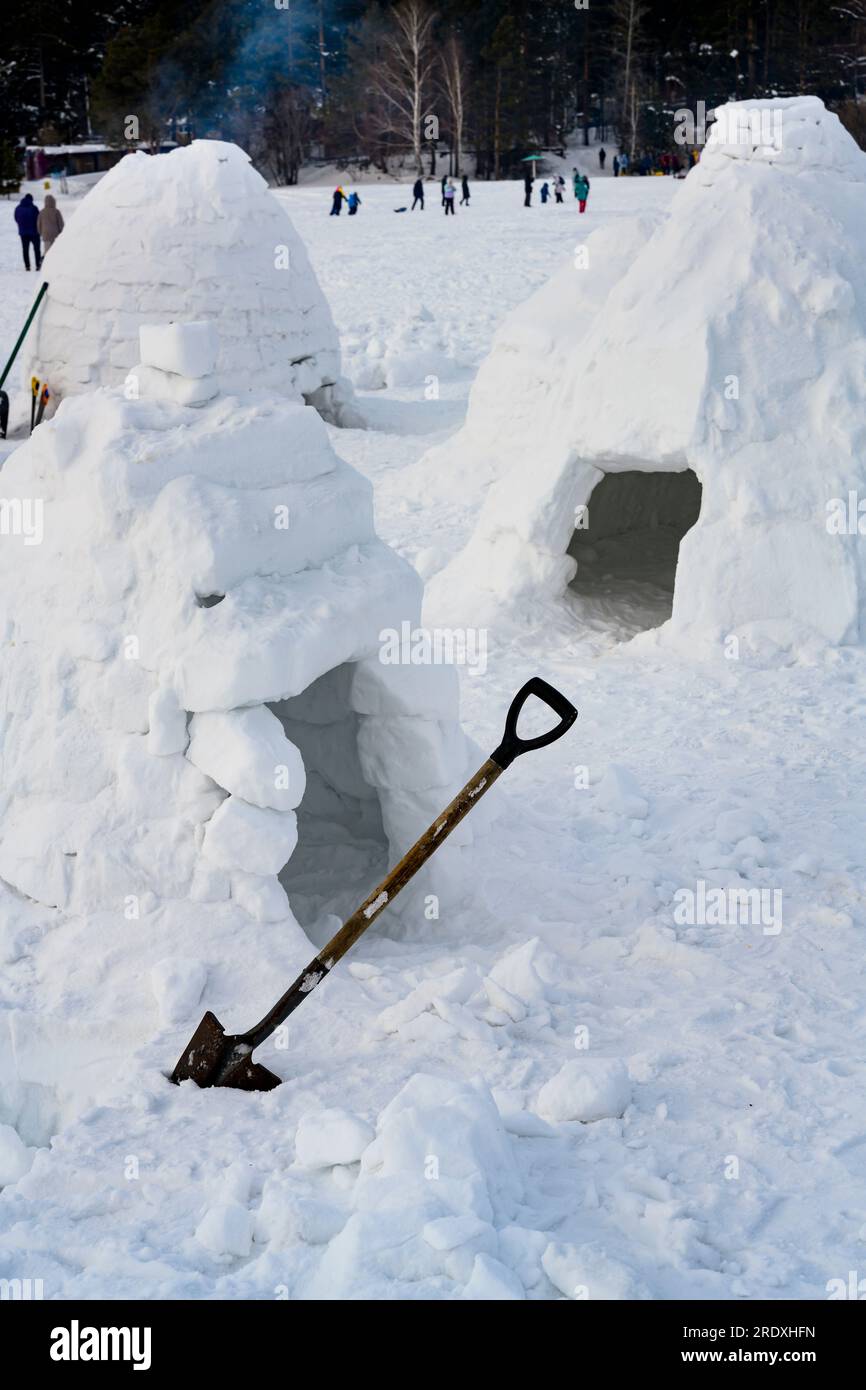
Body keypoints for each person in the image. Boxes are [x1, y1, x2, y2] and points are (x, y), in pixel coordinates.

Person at [14, 192, 41, 270]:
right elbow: (38, 219)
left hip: (23, 233)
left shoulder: (18, 208)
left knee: (25, 249)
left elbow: (16, 218)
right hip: (34, 232)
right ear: (31, 200)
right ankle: (38, 265)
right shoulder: (34, 208)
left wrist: (21, 226)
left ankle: (27, 266)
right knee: (36, 249)